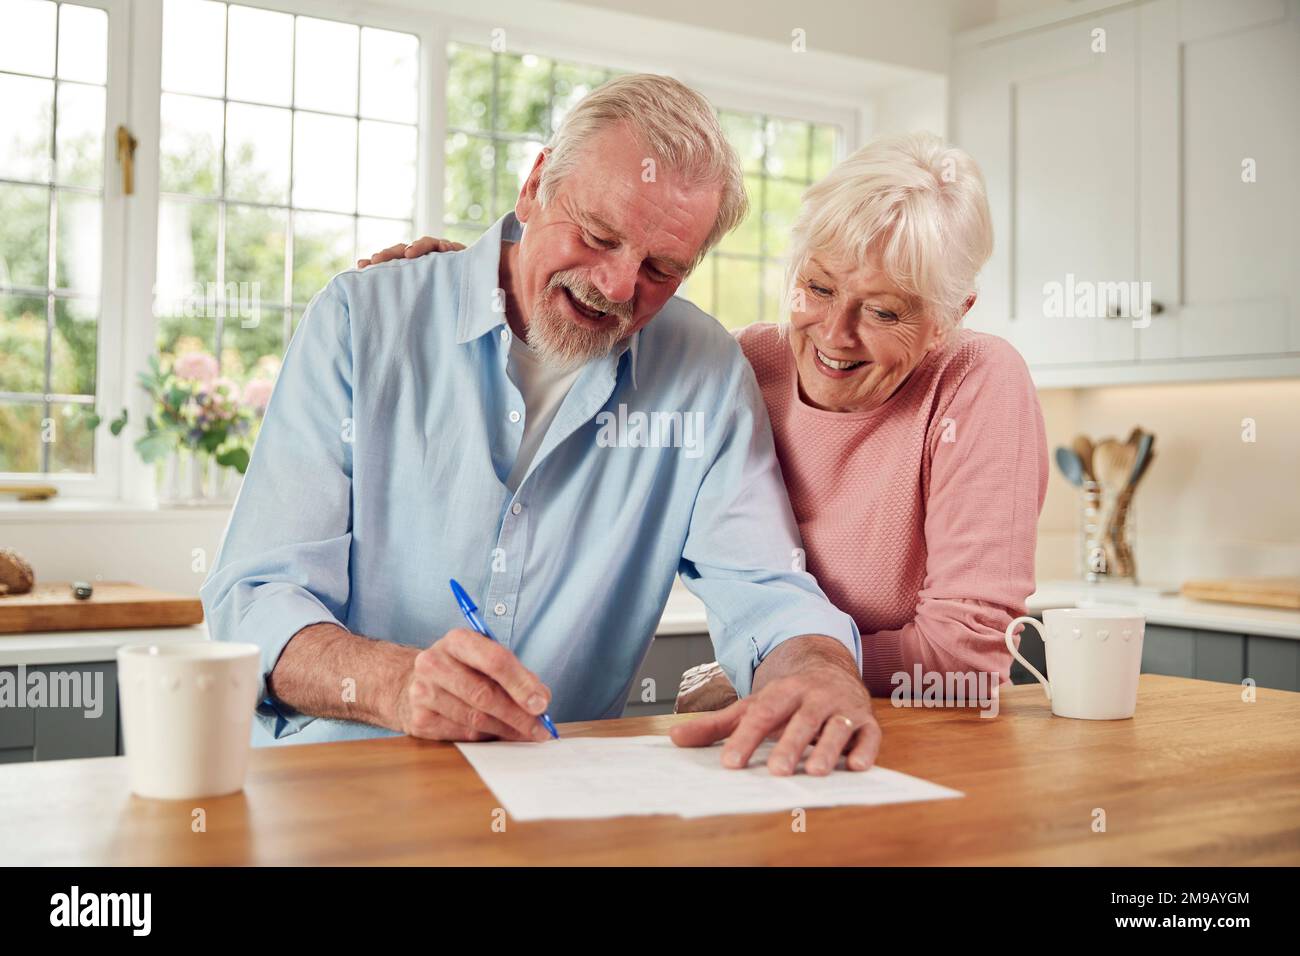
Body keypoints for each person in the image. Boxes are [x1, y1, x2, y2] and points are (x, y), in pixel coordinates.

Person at [201, 74, 881, 778]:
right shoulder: (362, 320)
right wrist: (393, 683)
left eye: (661, 268)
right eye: (598, 235)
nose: (618, 286)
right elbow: (252, 599)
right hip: (334, 788)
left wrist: (820, 667)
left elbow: (766, 585)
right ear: (534, 186)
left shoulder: (704, 371)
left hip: (560, 803)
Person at [366, 131, 1048, 719]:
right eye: (818, 288)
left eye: (886, 312)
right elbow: (591, 336)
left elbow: (969, 654)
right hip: (784, 728)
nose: (835, 335)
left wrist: (783, 663)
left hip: (920, 737)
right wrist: (489, 281)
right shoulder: (745, 364)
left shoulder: (976, 381)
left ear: (949, 318)